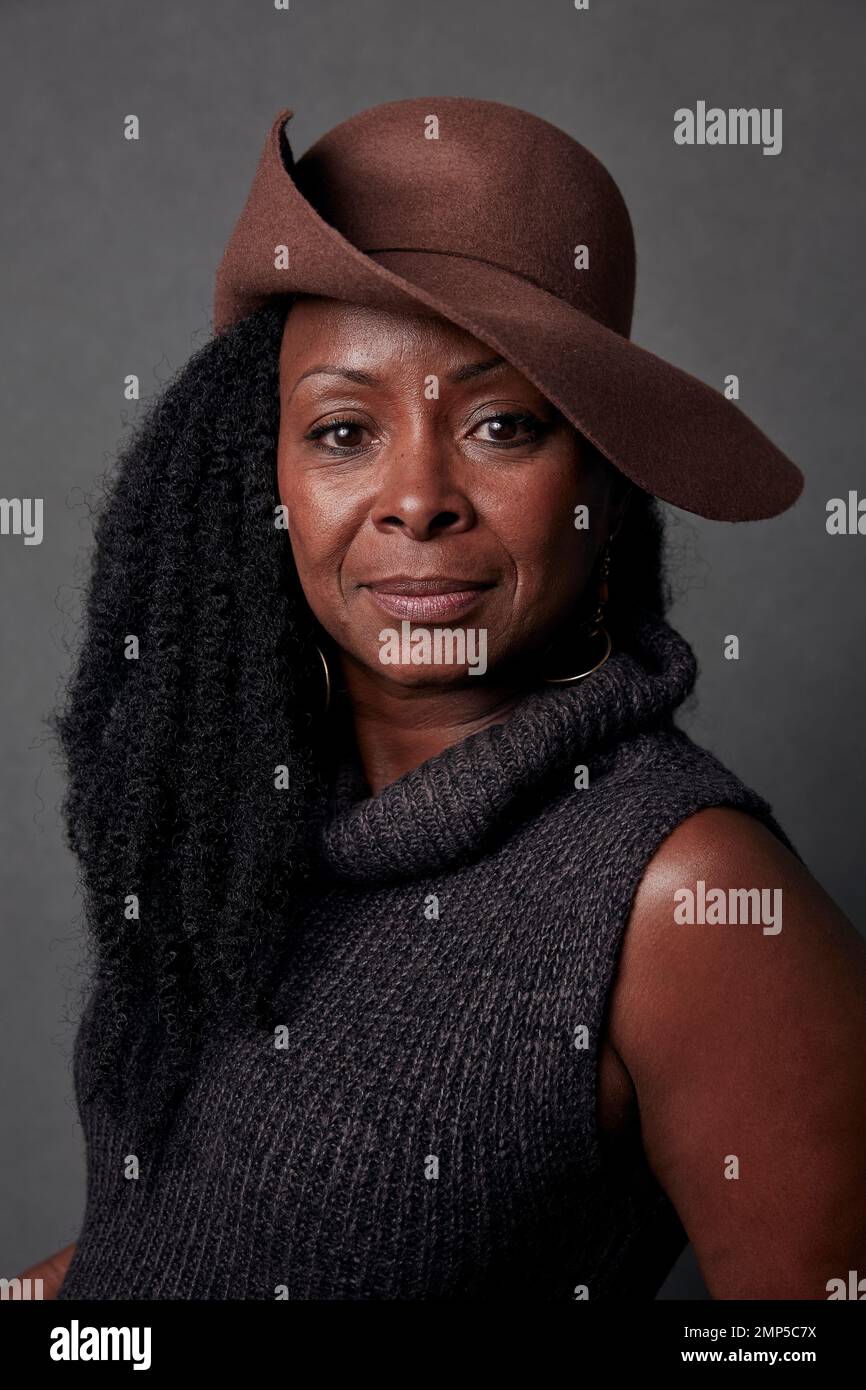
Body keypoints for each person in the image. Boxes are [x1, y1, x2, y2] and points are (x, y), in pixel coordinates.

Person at [21, 97, 866, 1300]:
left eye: (502, 424)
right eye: (344, 430)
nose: (417, 496)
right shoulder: (241, 827)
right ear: (259, 485)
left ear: (602, 490)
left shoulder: (680, 897)